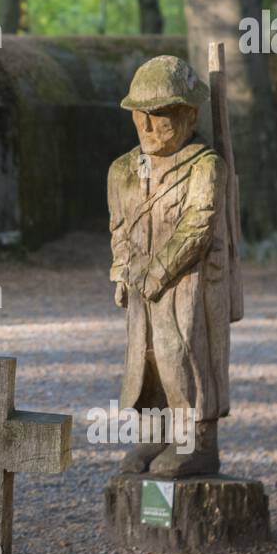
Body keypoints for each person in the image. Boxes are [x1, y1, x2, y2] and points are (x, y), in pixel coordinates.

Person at [106, 56, 231, 477]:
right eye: (140, 116)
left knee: (182, 356)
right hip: (141, 286)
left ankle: (196, 442)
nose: (147, 127)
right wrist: (122, 271)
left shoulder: (204, 166)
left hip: (184, 283)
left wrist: (158, 272)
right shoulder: (121, 170)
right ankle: (155, 434)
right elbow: (119, 226)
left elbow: (199, 224)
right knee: (146, 362)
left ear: (189, 115)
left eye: (160, 117)